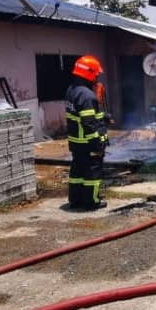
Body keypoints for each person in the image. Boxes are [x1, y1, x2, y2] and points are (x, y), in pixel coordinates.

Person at [65, 55, 110, 210]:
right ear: (89, 73)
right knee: (92, 172)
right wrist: (97, 144)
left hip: (76, 142)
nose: (97, 77)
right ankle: (91, 201)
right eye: (96, 74)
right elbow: (89, 123)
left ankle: (76, 200)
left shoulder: (72, 90)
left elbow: (82, 116)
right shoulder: (87, 95)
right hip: (88, 142)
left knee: (77, 171)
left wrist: (103, 116)